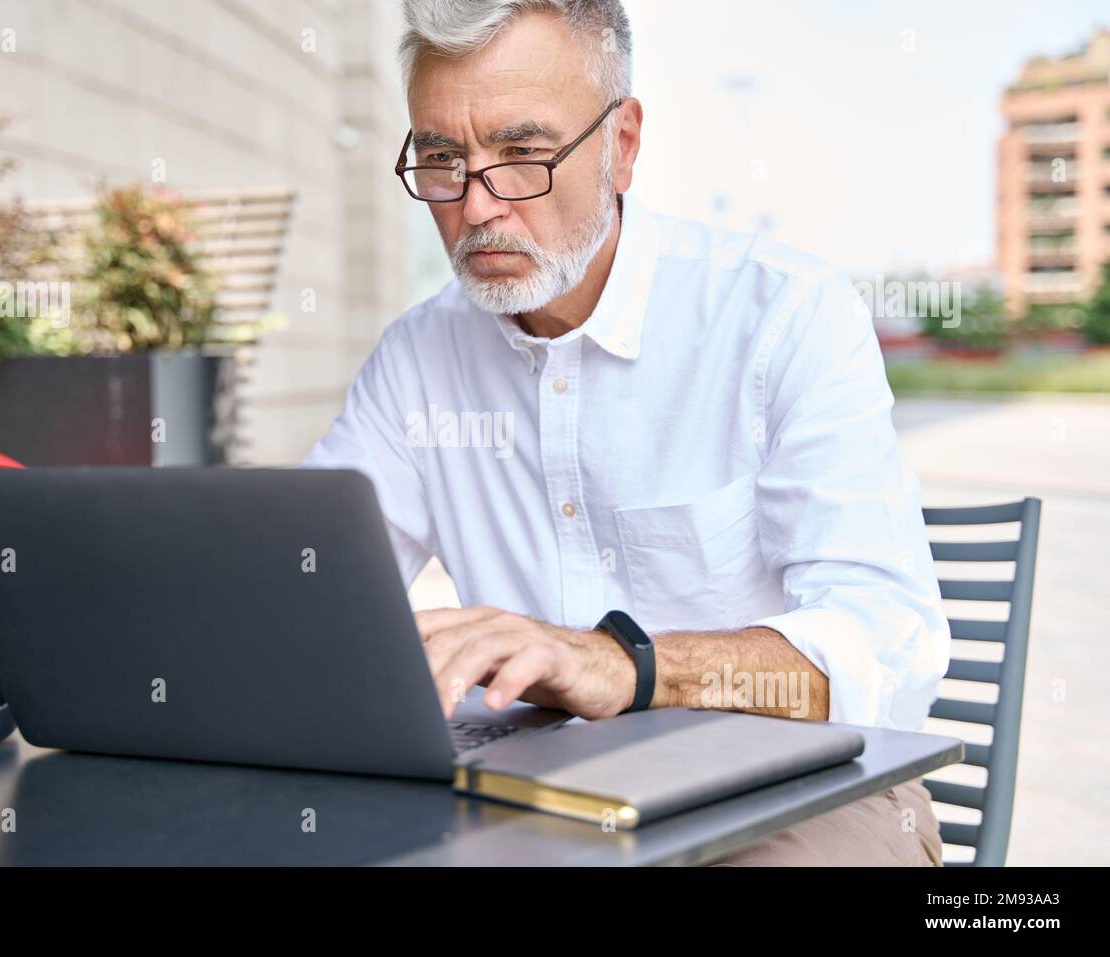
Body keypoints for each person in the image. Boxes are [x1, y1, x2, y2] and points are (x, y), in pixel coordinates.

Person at [302, 0, 950, 866]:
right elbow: (312, 588)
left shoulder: (782, 316)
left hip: (790, 785)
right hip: (536, 782)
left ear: (624, 144)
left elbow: (889, 646)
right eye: (443, 159)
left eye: (523, 155)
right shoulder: (418, 356)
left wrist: (628, 665)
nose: (478, 205)